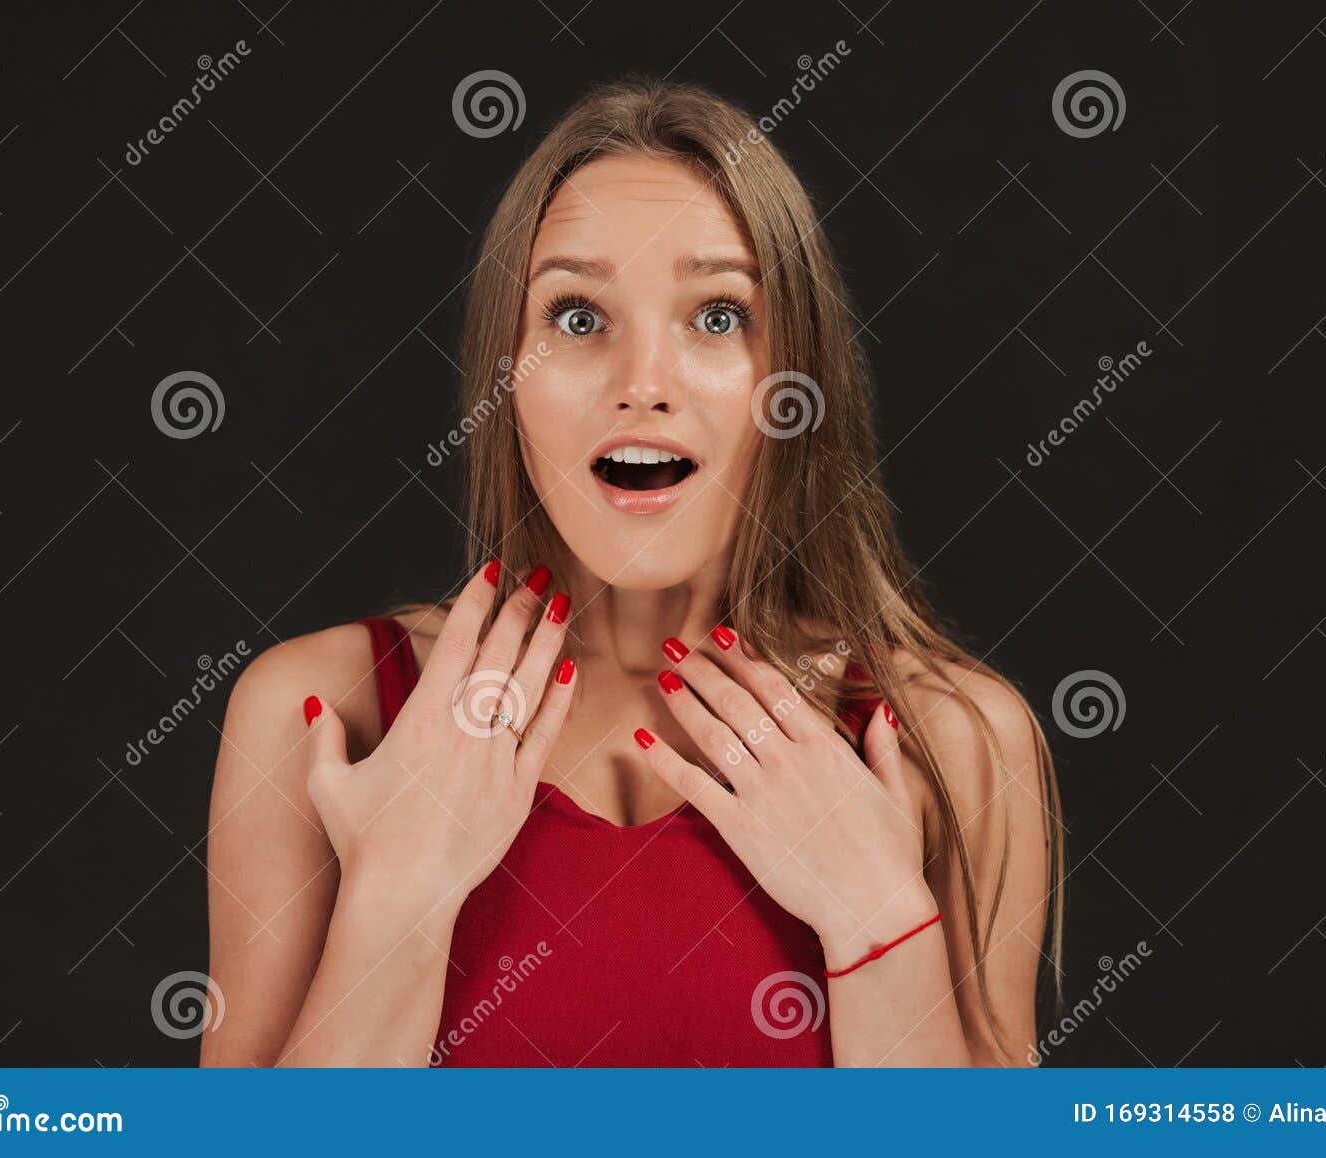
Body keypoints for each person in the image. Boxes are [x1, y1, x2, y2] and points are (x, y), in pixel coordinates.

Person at [201, 79, 1063, 1068]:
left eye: (717, 315)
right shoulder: (323, 715)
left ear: (795, 377)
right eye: (577, 318)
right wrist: (398, 898)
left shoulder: (954, 740)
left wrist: (879, 923)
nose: (643, 384)